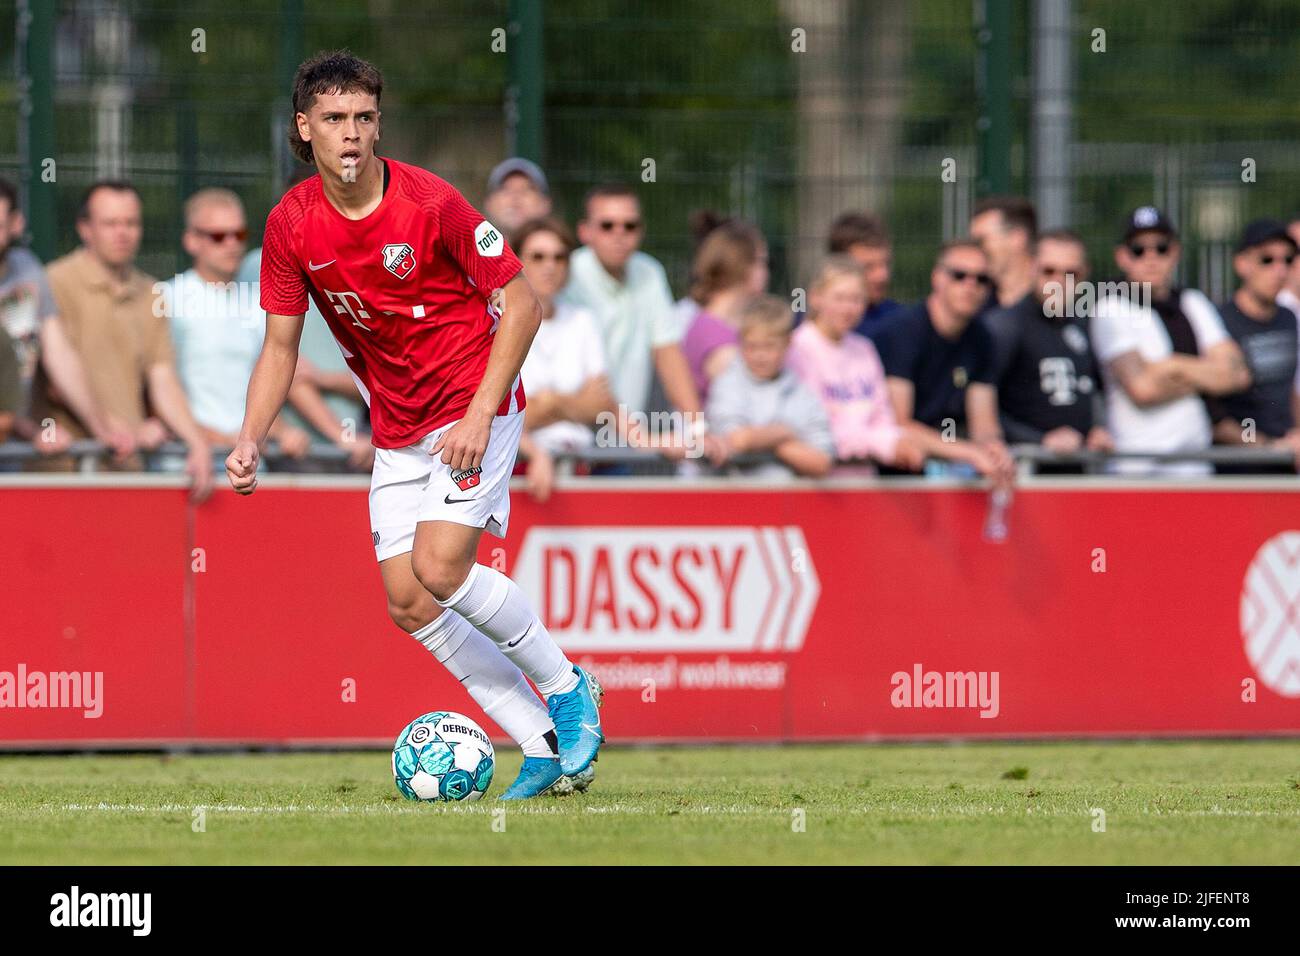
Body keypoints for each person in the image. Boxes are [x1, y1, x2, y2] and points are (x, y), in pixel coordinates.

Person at [226, 51, 602, 801]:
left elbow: (521, 303)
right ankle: (543, 743)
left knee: (440, 568)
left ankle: (567, 687)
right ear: (305, 129)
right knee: (409, 602)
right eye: (334, 120)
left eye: (365, 118)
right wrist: (249, 438)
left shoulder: (430, 203)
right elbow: (280, 346)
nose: (352, 134)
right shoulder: (291, 226)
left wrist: (479, 412)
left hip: (475, 404)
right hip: (398, 427)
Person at [33, 181, 213, 498]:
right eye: (111, 223)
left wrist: (196, 443)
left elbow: (162, 376)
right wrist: (116, 428)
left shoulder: (150, 292)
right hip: (64, 473)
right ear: (85, 228)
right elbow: (55, 380)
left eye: (131, 223)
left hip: (127, 471)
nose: (123, 232)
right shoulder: (54, 282)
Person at [1091, 206, 1250, 475]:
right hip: (1138, 467)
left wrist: (1171, 366)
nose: (1151, 258)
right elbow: (1143, 389)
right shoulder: (1111, 308)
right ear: (1122, 257)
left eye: (1161, 248)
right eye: (1139, 250)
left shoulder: (1193, 302)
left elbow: (1238, 375)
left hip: (1195, 466)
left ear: (1175, 251)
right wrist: (1205, 375)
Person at [239, 169, 375, 472]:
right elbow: (280, 361)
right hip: (297, 448)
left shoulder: (364, 265)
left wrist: (323, 380)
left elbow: (379, 372)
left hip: (363, 445)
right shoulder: (260, 263)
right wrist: (340, 436)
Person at [561, 183, 710, 454]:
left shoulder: (649, 272)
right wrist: (641, 438)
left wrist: (698, 429)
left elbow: (668, 353)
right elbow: (587, 374)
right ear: (585, 231)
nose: (619, 234)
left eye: (630, 226)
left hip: (622, 440)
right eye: (607, 225)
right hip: (568, 439)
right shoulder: (566, 274)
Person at [165, 188, 310, 463]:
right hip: (185, 463)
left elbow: (272, 375)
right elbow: (157, 385)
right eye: (218, 236)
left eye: (239, 234)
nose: (231, 244)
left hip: (249, 461)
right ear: (191, 240)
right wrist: (214, 439)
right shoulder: (170, 298)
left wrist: (282, 432)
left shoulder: (258, 301)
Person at [0, 177, 133, 461]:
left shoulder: (28, 270)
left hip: (12, 451)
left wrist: (103, 429)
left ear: (16, 224)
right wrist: (28, 430)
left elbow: (59, 354)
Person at [869, 241, 1015, 481]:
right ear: (937, 277)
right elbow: (898, 424)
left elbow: (983, 422)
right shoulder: (902, 331)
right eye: (959, 275)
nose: (971, 285)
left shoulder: (982, 337)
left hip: (949, 474)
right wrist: (967, 452)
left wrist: (992, 448)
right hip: (891, 478)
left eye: (981, 279)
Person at [984, 229, 1112, 460]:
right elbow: (980, 410)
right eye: (1049, 271)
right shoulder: (1005, 327)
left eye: (1070, 273)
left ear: (1084, 274)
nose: (1059, 282)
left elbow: (1097, 390)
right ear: (1032, 268)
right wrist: (1039, 440)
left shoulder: (1086, 325)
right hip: (1023, 472)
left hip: (1080, 470)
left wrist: (1098, 429)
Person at [787, 256, 923, 472]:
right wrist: (882, 445)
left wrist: (897, 441)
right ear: (816, 298)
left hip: (863, 480)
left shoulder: (865, 349)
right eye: (839, 298)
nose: (848, 308)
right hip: (819, 484)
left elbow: (882, 415)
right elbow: (816, 426)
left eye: (856, 299)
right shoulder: (798, 348)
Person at [514, 216, 615, 478]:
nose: (550, 266)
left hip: (579, 466)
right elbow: (490, 415)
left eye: (559, 257)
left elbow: (600, 407)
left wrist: (546, 403)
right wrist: (575, 405)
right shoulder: (497, 321)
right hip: (517, 466)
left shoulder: (583, 320)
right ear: (516, 261)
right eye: (538, 256)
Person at [707, 295, 834, 477]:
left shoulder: (801, 392)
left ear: (788, 343)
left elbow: (821, 462)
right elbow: (738, 439)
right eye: (752, 346)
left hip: (791, 502)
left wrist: (769, 443)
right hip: (737, 500)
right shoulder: (727, 385)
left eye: (769, 346)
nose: (760, 355)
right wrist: (787, 433)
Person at [1209, 219, 1300, 471]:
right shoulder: (1217, 322)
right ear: (1242, 264)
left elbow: (1289, 389)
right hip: (1239, 470)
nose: (1280, 270)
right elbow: (1214, 416)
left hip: (1286, 461)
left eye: (1288, 260)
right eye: (1267, 260)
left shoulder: (1288, 317)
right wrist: (1267, 447)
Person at [680, 216, 768, 401]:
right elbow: (750, 402)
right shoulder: (715, 338)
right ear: (742, 266)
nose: (766, 271)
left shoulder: (723, 324)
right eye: (761, 262)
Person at [826, 211, 902, 336]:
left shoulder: (899, 322)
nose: (882, 276)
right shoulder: (807, 329)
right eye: (868, 267)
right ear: (838, 267)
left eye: (886, 264)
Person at [969, 196, 1037, 310]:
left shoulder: (1059, 304)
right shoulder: (975, 307)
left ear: (1017, 237)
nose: (974, 250)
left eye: (981, 241)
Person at [482, 158, 552, 240]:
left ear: (545, 204)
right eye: (505, 189)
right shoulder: (468, 251)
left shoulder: (562, 252)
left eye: (527, 189)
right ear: (489, 203)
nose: (516, 196)